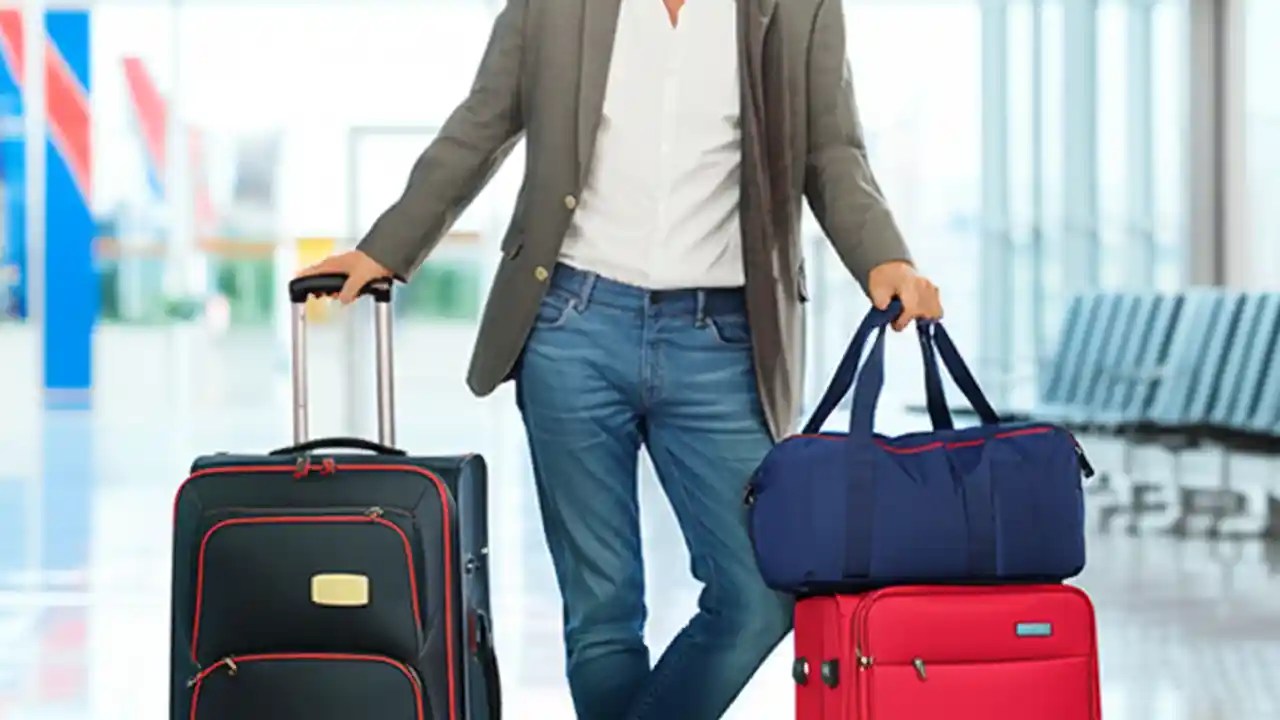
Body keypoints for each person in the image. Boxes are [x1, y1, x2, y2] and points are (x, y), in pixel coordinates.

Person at [299, 0, 942, 717]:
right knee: (601, 613)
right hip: (572, 325)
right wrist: (387, 248)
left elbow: (832, 148)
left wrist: (884, 257)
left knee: (761, 594)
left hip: (722, 337)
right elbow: (485, 118)